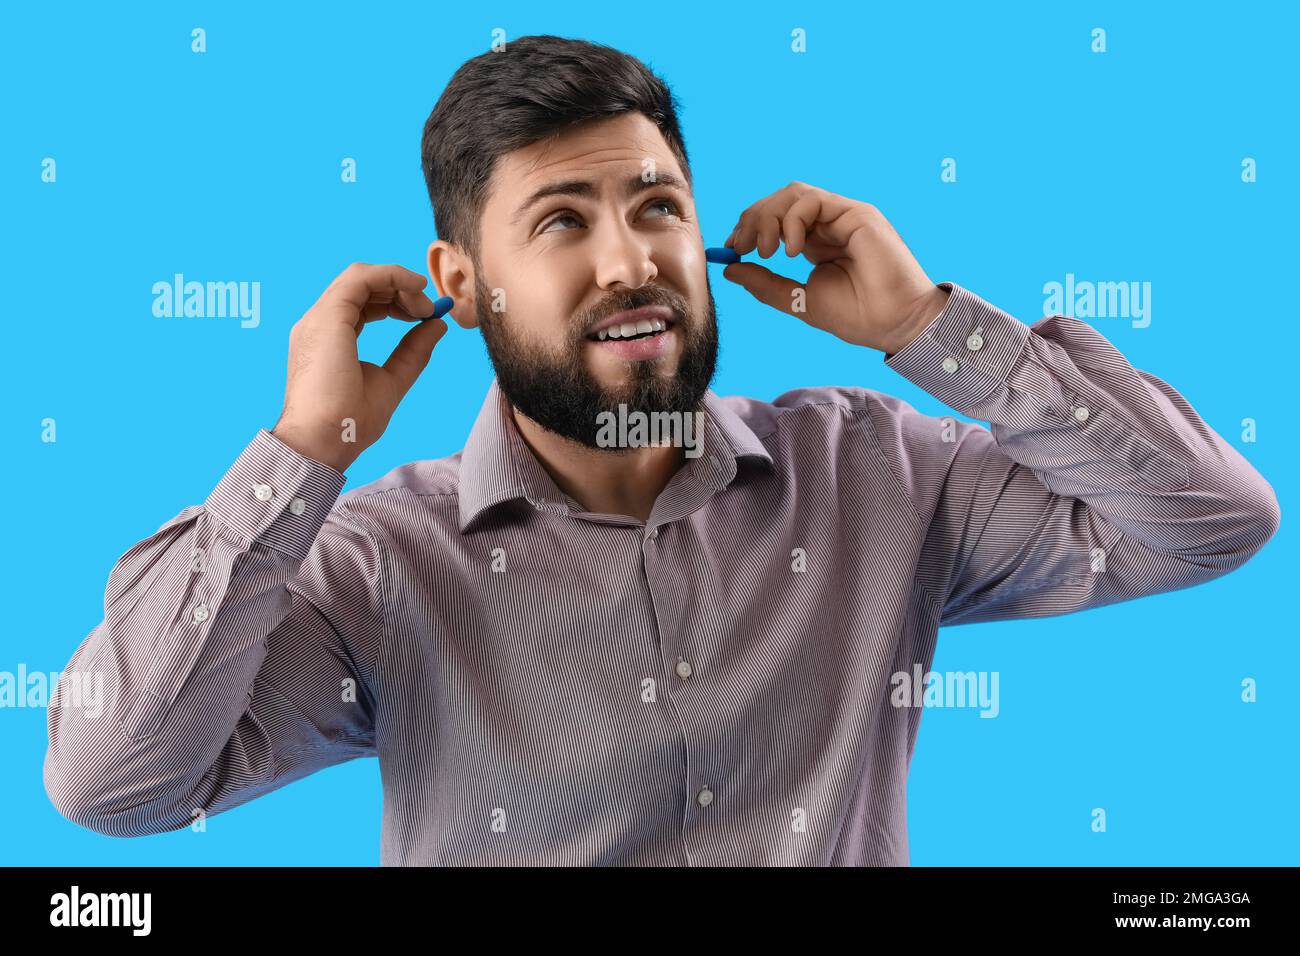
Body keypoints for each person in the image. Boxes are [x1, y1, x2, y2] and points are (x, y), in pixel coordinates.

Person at [44, 35, 1279, 866]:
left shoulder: (876, 473)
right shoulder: (378, 568)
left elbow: (1210, 518)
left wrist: (924, 328)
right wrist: (304, 449)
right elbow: (115, 781)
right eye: (563, 222)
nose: (630, 259)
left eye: (657, 207)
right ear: (462, 286)